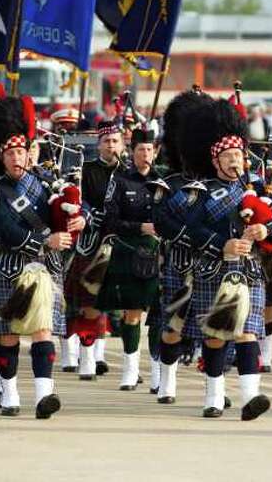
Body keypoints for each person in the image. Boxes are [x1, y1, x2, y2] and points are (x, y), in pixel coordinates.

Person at [180, 97, 272, 421]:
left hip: (250, 271)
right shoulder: (201, 190)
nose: (234, 161)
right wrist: (222, 244)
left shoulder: (260, 190)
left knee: (248, 333)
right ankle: (213, 395)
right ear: (215, 161)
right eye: (227, 156)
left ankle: (250, 397)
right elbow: (191, 230)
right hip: (214, 268)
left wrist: (264, 227)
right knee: (215, 336)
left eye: (238, 156)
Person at [0, 94, 84, 418]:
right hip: (9, 266)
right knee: (8, 337)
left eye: (21, 151)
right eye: (10, 153)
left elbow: (72, 210)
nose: (17, 158)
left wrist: (80, 219)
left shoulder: (47, 182)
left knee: (43, 330)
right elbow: (5, 230)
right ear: (1, 156)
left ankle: (44, 396)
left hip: (45, 269)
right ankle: (9, 394)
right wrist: (45, 238)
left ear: (29, 151)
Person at [151, 88, 214, 405]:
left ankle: (212, 390)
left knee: (214, 329)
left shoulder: (220, 184)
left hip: (214, 263)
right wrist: (197, 234)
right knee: (173, 323)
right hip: (179, 260)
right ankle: (167, 380)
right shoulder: (168, 181)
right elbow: (162, 222)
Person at [98, 126, 163, 390]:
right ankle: (130, 370)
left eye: (149, 149)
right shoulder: (121, 180)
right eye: (140, 149)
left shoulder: (165, 181)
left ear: (155, 151)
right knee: (132, 313)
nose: (145, 154)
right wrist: (140, 227)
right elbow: (110, 220)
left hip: (161, 253)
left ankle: (160, 373)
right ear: (131, 151)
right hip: (131, 250)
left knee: (160, 315)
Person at [69, 121, 123, 380]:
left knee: (115, 301)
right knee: (91, 301)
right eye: (106, 141)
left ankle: (100, 354)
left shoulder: (129, 171)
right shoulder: (87, 170)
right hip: (93, 241)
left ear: (122, 144)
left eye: (115, 141)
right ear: (99, 144)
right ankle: (88, 356)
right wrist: (91, 216)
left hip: (122, 241)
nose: (111, 146)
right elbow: (81, 201)